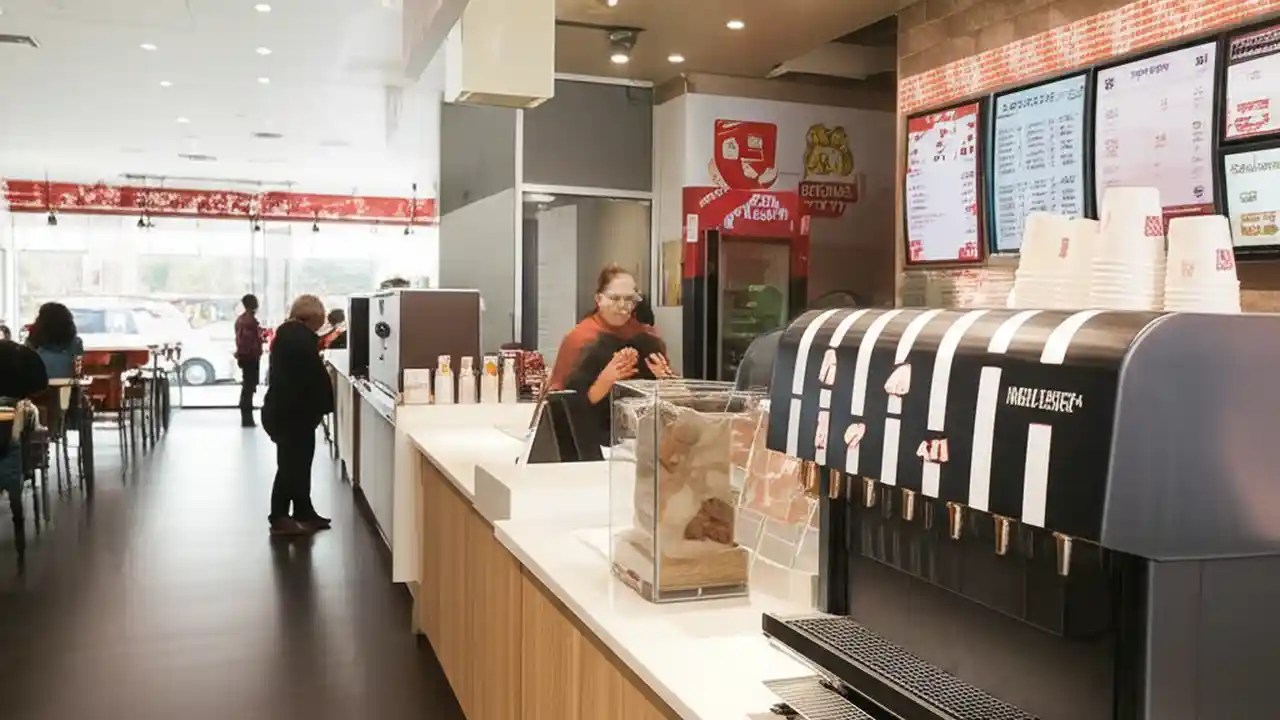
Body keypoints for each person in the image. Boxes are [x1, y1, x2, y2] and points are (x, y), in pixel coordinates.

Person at [548, 265, 675, 444]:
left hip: (642, 440)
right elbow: (561, 407)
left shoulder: (647, 337)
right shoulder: (580, 338)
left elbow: (671, 400)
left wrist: (666, 380)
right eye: (615, 298)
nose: (623, 306)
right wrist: (605, 381)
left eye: (630, 299)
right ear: (598, 299)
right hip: (588, 441)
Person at [262, 294, 335, 536]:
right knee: (292, 466)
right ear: (312, 318)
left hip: (287, 412)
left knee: (298, 464)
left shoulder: (289, 335)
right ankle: (280, 516)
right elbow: (311, 377)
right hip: (292, 414)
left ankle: (304, 510)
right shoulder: (299, 338)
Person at [26, 302, 83, 379]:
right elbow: (77, 372)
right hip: (68, 387)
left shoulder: (32, 342)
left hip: (38, 387)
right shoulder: (75, 343)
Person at [234, 294, 264, 428]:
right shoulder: (249, 322)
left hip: (246, 356)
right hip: (250, 357)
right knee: (249, 386)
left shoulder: (241, 320)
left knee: (248, 386)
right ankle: (247, 418)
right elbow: (248, 342)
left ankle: (247, 416)